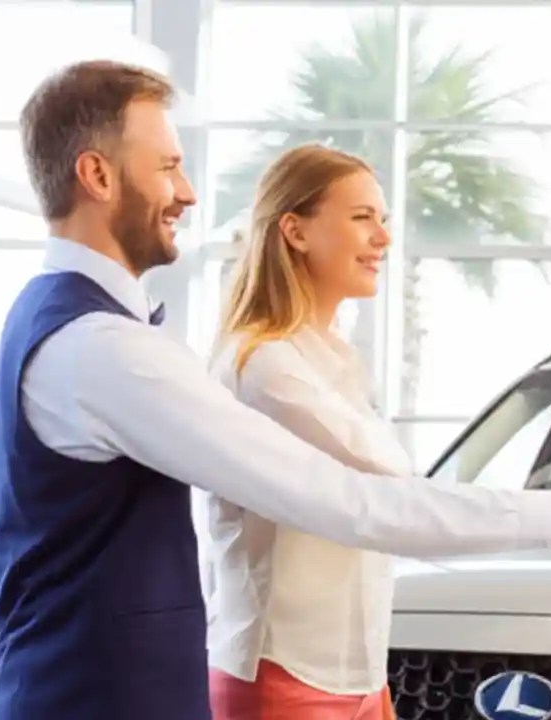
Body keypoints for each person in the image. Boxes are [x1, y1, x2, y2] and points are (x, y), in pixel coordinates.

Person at [0, 59, 551, 720]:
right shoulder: (107, 351)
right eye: (168, 166)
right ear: (98, 177)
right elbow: (353, 504)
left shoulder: (72, 327)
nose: (187, 191)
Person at [199, 143, 407, 719]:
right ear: (294, 230)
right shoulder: (264, 366)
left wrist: (374, 688)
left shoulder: (335, 359)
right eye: (363, 218)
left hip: (356, 678)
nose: (382, 239)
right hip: (283, 677)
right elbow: (395, 489)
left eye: (382, 220)